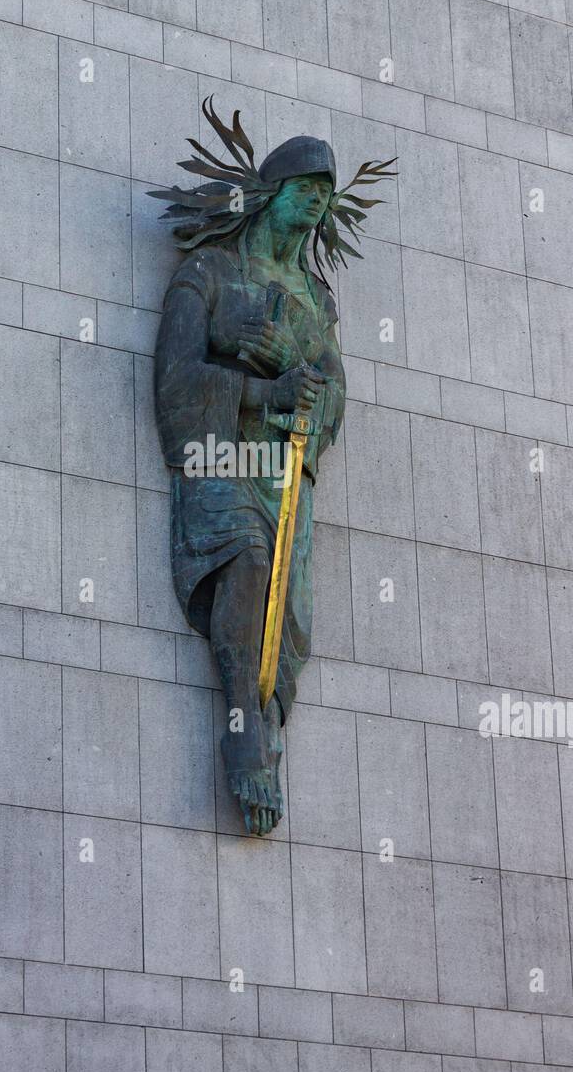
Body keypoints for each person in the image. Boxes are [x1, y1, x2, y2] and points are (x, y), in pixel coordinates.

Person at [152, 101, 395, 835]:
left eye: (325, 200)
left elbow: (333, 392)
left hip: (283, 469)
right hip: (223, 453)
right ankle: (244, 740)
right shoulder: (210, 271)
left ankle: (260, 721)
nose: (314, 208)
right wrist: (260, 389)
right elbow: (173, 381)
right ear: (270, 193)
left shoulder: (314, 301)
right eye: (304, 193)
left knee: (283, 612)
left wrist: (301, 386)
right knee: (248, 561)